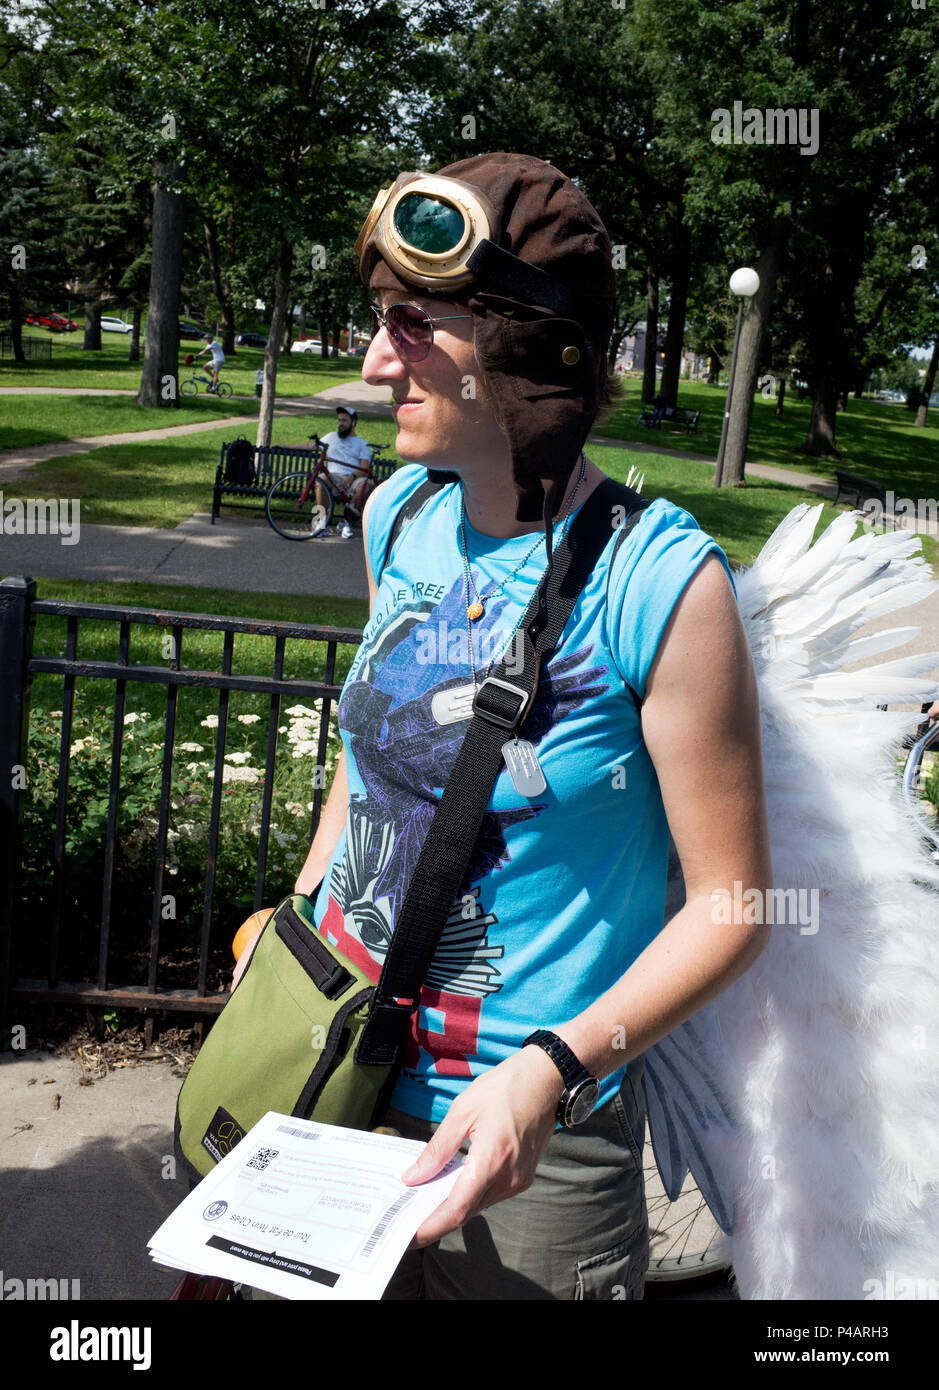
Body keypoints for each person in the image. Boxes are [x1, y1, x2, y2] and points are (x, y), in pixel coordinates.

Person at [238, 153, 772, 1300]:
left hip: (533, 1152)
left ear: (527, 345)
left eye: (411, 325)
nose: (375, 362)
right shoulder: (397, 517)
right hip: (334, 1076)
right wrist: (294, 922)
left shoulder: (661, 581)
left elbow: (733, 907)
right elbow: (372, 769)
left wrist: (552, 1067)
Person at [314, 406, 376, 539]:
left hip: (354, 478)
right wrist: (282, 446)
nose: (340, 423)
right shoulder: (331, 437)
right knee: (321, 480)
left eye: (344, 420)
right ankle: (322, 523)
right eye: (339, 420)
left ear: (353, 423)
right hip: (333, 477)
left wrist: (352, 476)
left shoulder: (362, 444)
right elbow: (310, 446)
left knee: (365, 486)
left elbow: (364, 467)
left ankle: (345, 522)